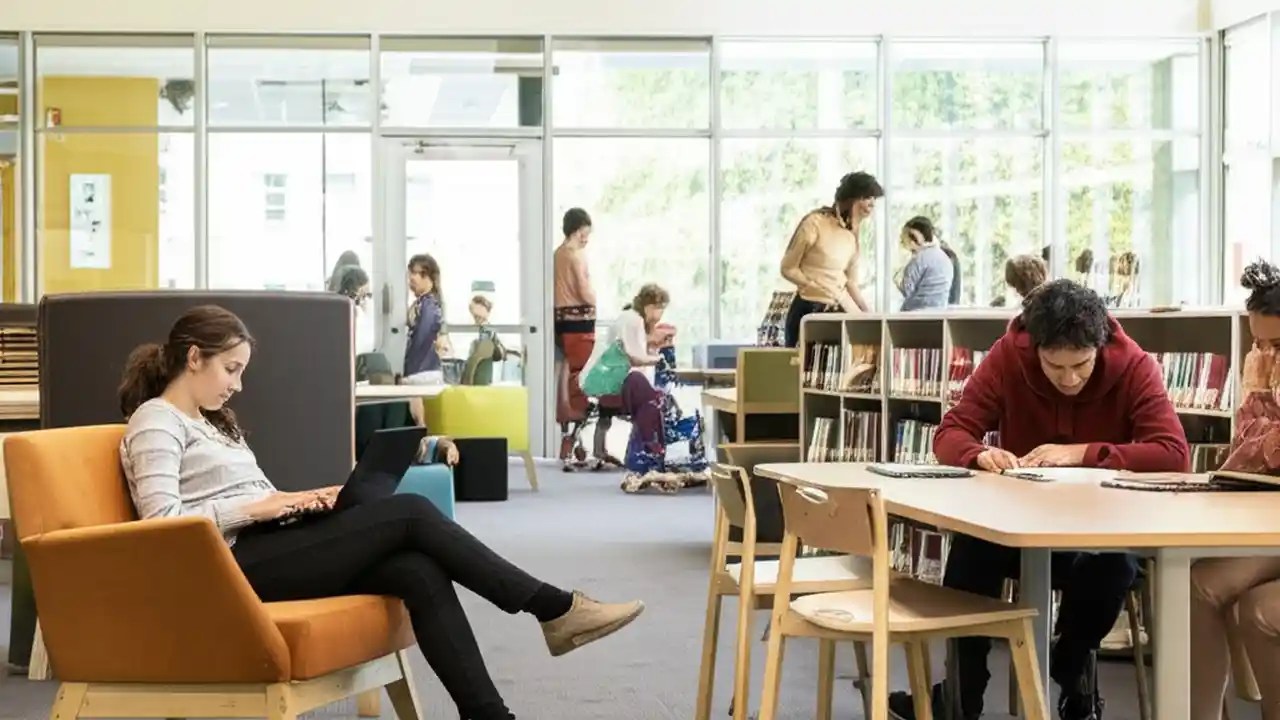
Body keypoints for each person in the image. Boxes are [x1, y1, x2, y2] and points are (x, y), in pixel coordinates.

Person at [117, 305, 644, 720]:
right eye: (230, 369)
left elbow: (244, 502)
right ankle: (553, 608)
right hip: (226, 570)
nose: (237, 384)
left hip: (262, 546)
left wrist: (302, 502)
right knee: (412, 511)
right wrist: (257, 507)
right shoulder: (156, 421)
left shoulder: (213, 422)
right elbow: (160, 526)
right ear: (193, 358)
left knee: (416, 569)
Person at [888, 279, 1189, 720]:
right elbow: (950, 433)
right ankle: (960, 693)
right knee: (970, 554)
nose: (1069, 380)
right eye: (1054, 366)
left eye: (1081, 366)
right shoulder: (1008, 356)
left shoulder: (1135, 365)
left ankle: (1072, 665)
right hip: (1017, 530)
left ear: (1100, 345)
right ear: (1035, 348)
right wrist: (979, 453)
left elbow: (1174, 454)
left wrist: (1082, 453)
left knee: (1115, 565)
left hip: (1101, 531)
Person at [1190, 259, 1280, 720]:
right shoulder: (1263, 365)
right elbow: (1244, 448)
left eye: (1277, 343)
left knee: (1258, 608)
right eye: (1258, 342)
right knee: (1200, 581)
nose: (1265, 355)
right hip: (1271, 521)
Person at [582, 284, 707, 493]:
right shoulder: (633, 320)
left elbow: (635, 352)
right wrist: (659, 359)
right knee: (656, 400)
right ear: (650, 306)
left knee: (657, 397)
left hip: (614, 378)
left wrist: (652, 349)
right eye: (660, 309)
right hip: (615, 381)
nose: (660, 315)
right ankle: (651, 454)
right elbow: (634, 357)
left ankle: (648, 455)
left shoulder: (630, 318)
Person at [778, 171, 880, 347]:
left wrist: (868, 312)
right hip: (810, 308)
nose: (872, 204)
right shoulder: (814, 223)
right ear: (851, 199)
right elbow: (787, 268)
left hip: (838, 308)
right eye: (867, 197)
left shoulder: (852, 235)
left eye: (874, 199)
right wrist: (815, 286)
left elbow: (850, 282)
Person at [553, 208, 599, 467]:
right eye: (585, 233)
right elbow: (584, 290)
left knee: (564, 375)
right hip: (579, 323)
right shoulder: (576, 257)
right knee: (578, 379)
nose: (586, 239)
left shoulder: (556, 255)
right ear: (577, 229)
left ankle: (568, 436)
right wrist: (595, 298)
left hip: (560, 322)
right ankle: (573, 437)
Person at [404, 253, 451, 377]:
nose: (410, 282)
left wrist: (409, 370)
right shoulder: (430, 303)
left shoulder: (429, 305)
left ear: (426, 276)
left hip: (422, 372)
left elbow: (421, 341)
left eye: (414, 275)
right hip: (426, 370)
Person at [895, 216, 955, 311]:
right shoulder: (945, 257)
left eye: (903, 239)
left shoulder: (919, 259)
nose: (902, 242)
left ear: (913, 238)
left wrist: (897, 279)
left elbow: (906, 290)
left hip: (916, 313)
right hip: (940, 312)